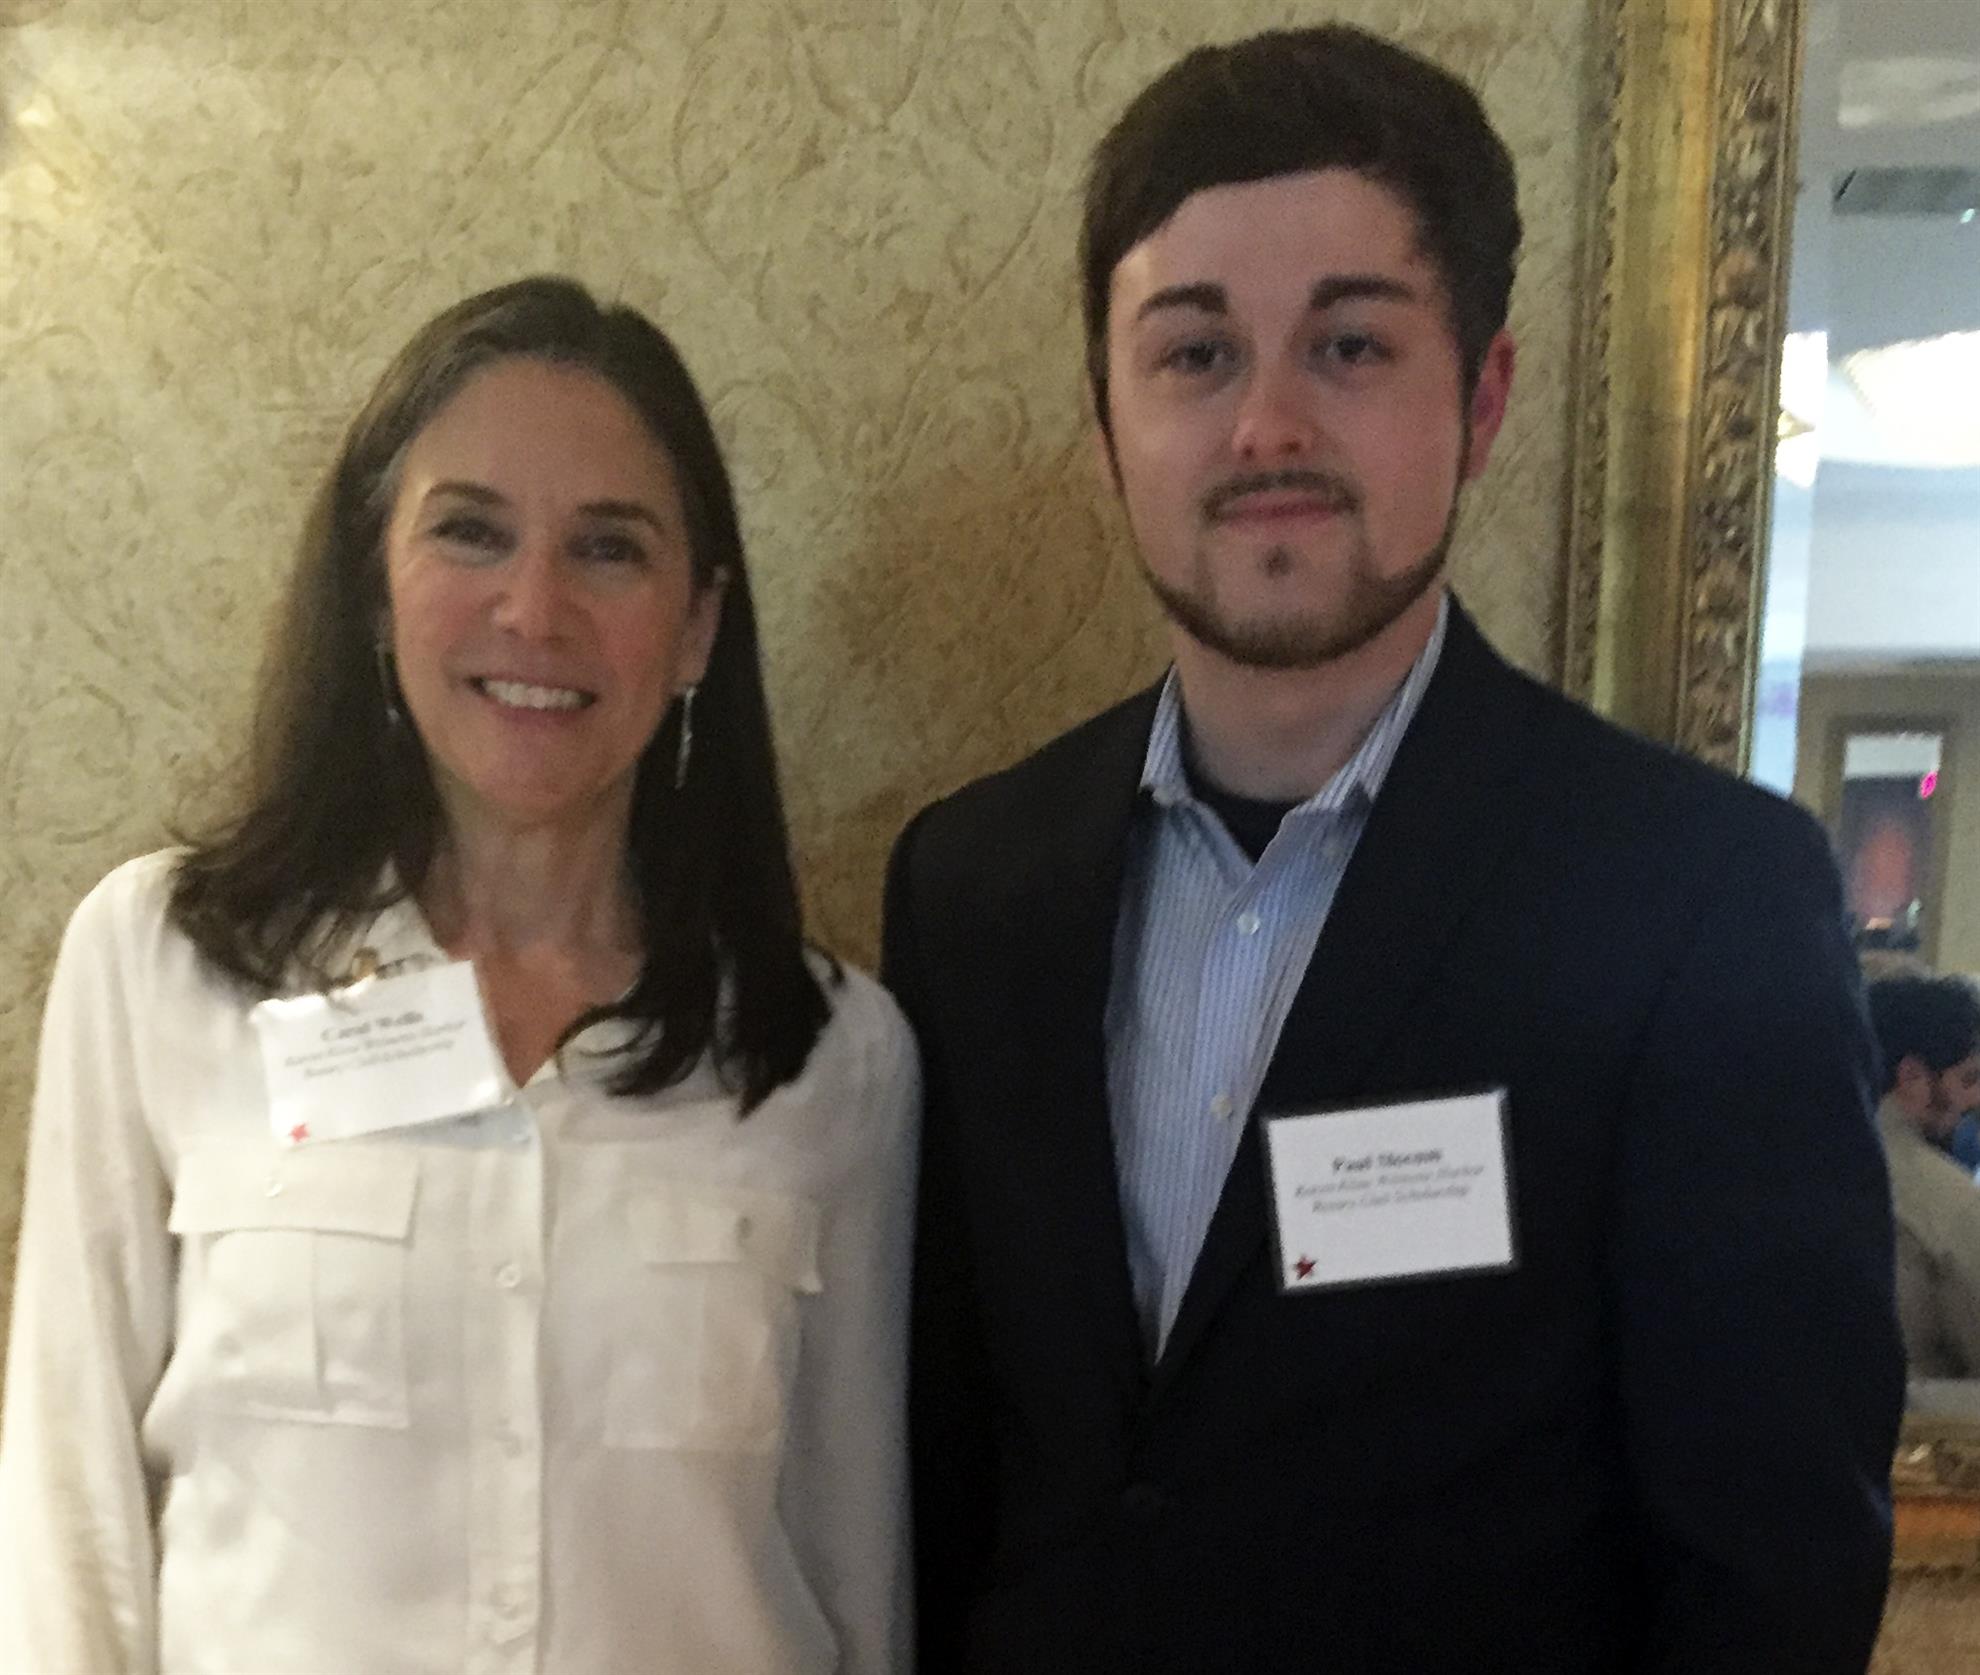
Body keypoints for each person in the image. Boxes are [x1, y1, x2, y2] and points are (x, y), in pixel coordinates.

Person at [883, 26, 1902, 1674]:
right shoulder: (971, 888)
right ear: (1104, 424)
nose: (1267, 426)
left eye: (1349, 346)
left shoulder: (1701, 901)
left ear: (1481, 398)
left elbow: (1771, 1573)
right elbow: (948, 1470)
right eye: (1195, 356)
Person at [0, 277, 915, 1674]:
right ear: (375, 582)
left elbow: (857, 1576)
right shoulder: (157, 964)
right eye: (471, 532)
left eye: (609, 550)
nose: (533, 609)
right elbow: (69, 1534)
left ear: (696, 629)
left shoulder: (833, 1057)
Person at [1867, 973, 1980, 1377]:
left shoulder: (1798, 1161)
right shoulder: (1943, 1197)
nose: (1975, 1099)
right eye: (1967, 1078)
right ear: (1913, 1076)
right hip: (1916, 1430)